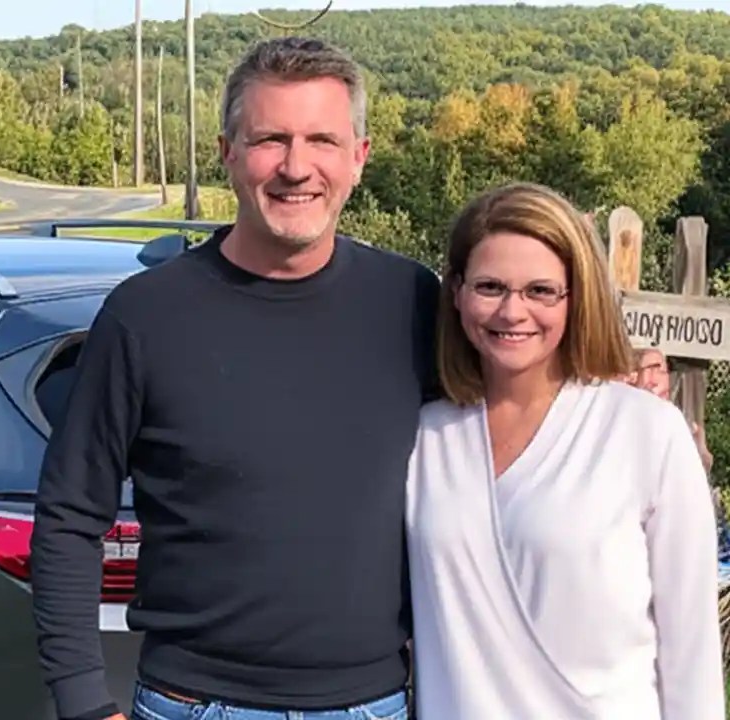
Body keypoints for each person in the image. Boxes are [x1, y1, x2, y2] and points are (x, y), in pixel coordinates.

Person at [29, 36, 440, 720]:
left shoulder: (411, 303)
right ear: (227, 153)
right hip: (194, 702)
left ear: (360, 158)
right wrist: (80, 700)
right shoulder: (146, 317)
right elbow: (70, 514)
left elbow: (512, 431)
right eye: (269, 139)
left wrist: (612, 387)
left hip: (376, 704)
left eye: (322, 141)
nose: (295, 166)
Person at [405, 181, 724, 719]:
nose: (512, 311)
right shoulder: (424, 439)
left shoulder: (645, 433)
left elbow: (691, 654)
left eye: (541, 290)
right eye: (490, 286)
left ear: (577, 297)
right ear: (456, 293)